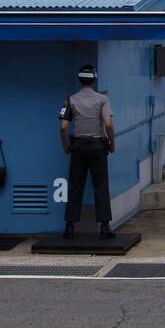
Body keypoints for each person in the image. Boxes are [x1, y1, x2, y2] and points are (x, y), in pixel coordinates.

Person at [60, 64, 116, 240]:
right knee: (100, 186)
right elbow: (108, 124)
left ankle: (69, 227)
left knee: (75, 186)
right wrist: (112, 144)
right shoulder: (102, 99)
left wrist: (66, 146)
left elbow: (63, 127)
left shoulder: (70, 100)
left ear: (79, 79)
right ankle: (104, 227)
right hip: (98, 147)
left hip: (78, 147)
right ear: (94, 79)